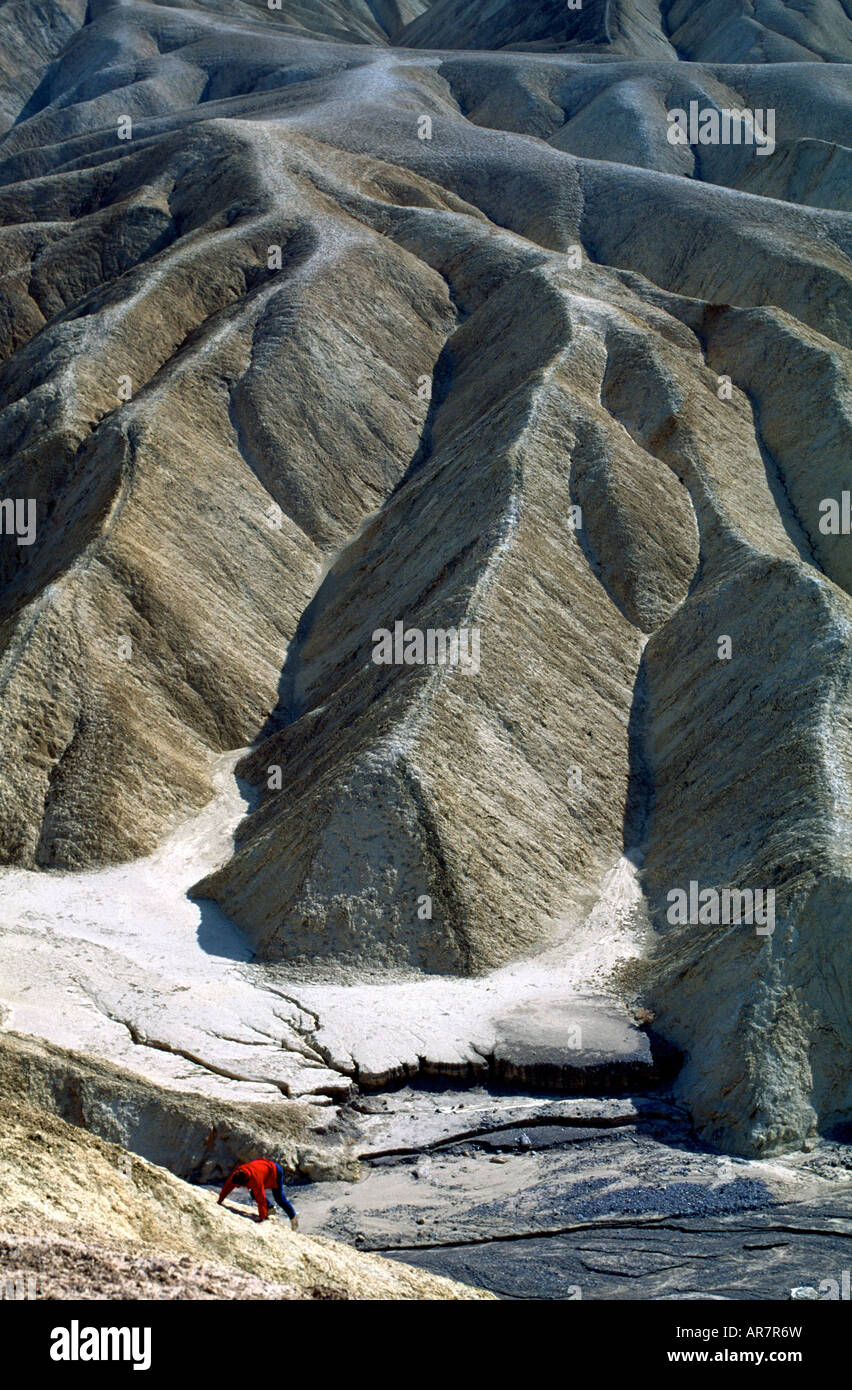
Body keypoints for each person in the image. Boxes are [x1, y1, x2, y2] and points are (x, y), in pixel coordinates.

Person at [218, 1158, 299, 1228]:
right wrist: (220, 1199)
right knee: (253, 1193)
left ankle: (293, 1216)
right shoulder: (237, 1173)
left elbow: (261, 1199)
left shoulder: (255, 1181)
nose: (238, 1187)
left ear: (246, 1183)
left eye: (239, 1186)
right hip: (263, 1167)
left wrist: (261, 1218)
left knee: (279, 1198)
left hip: (275, 1171)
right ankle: (270, 1208)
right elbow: (227, 1186)